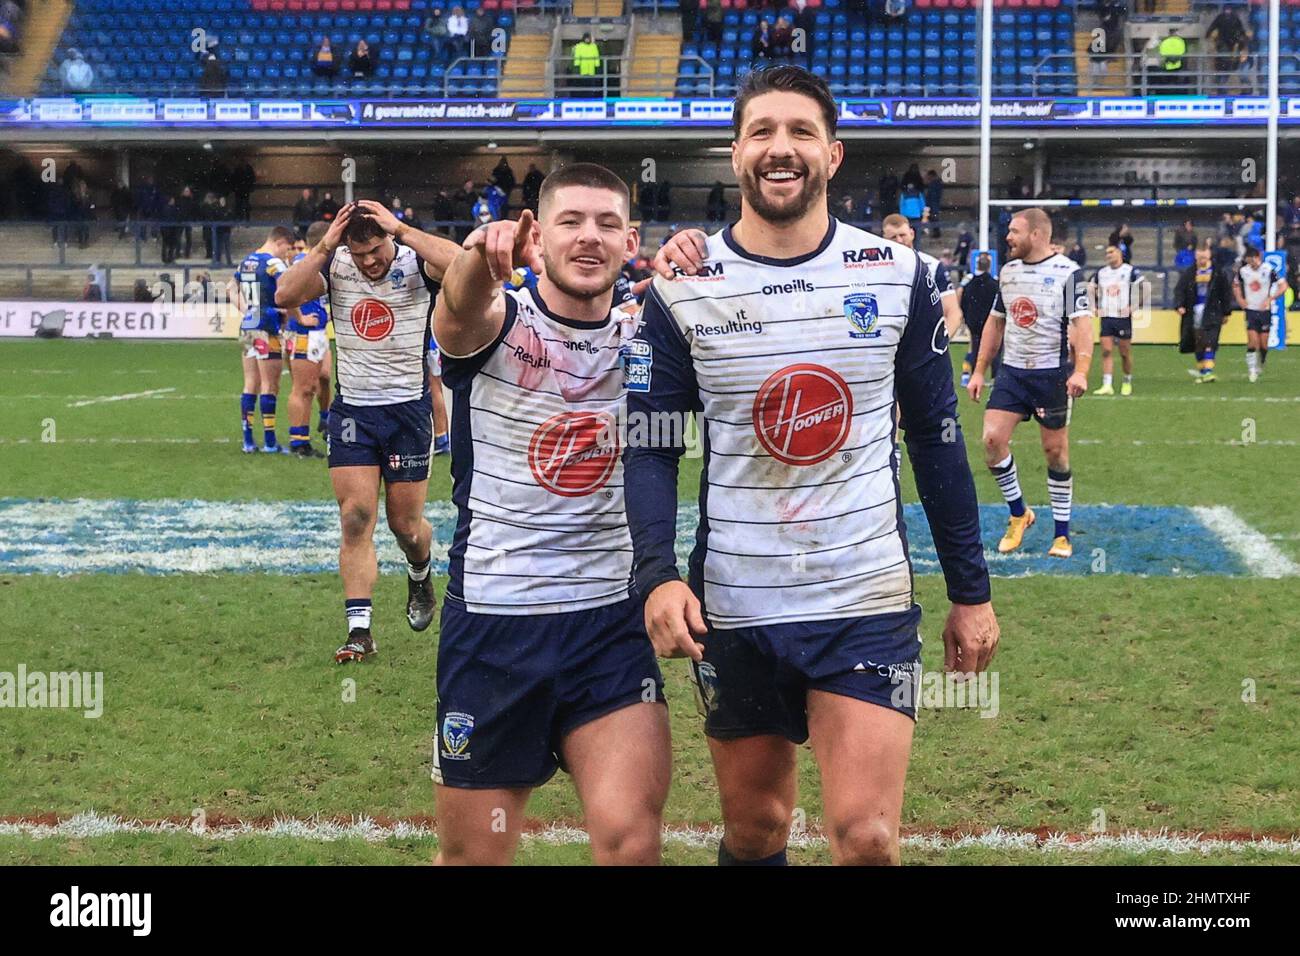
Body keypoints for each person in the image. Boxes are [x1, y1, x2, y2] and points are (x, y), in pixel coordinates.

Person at [633, 65, 997, 866]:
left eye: (800, 132)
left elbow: (936, 437)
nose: (780, 147)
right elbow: (652, 443)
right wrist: (657, 574)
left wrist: (970, 593)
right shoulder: (681, 293)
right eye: (762, 131)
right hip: (736, 603)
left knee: (866, 837)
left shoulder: (900, 278)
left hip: (863, 597)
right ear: (735, 154)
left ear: (833, 156)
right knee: (756, 828)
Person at [428, 164, 670, 866]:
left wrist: (695, 258)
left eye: (605, 225)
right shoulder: (499, 321)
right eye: (569, 222)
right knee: (475, 857)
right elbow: (460, 307)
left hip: (611, 626)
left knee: (631, 845)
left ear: (630, 241)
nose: (587, 238)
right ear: (537, 236)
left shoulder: (651, 331)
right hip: (496, 627)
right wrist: (480, 252)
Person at [275, 201, 461, 664]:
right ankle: (360, 631)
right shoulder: (336, 263)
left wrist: (402, 228)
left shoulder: (415, 260)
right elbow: (284, 294)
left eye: (376, 250)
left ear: (389, 239)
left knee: (406, 527)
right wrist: (323, 246)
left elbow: (462, 264)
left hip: (407, 412)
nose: (369, 261)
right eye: (360, 254)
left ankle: (420, 572)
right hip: (354, 412)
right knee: (356, 516)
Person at [967, 208, 1092, 560]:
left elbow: (1083, 326)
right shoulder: (1007, 272)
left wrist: (1081, 369)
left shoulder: (1068, 273)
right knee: (992, 440)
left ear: (1036, 235)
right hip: (1012, 373)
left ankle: (1062, 534)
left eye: (1015, 231)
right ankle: (1020, 513)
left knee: (1055, 452)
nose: (1008, 236)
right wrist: (979, 370)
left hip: (1051, 374)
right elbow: (995, 323)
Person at [232, 226, 299, 455]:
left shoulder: (246, 261)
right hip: (268, 326)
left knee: (251, 382)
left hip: (249, 326)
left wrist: (249, 310)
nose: (286, 254)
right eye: (287, 249)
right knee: (270, 384)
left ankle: (248, 440)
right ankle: (270, 442)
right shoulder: (274, 264)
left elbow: (232, 289)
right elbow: (288, 290)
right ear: (280, 242)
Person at [283, 223, 331, 458]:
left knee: (323, 379)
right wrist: (300, 318)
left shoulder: (320, 262)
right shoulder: (303, 261)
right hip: (305, 334)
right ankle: (298, 441)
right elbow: (285, 292)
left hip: (319, 332)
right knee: (303, 388)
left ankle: (325, 420)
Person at [881, 212, 963, 338]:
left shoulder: (933, 266)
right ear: (884, 239)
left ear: (912, 234)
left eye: (903, 235)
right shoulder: (876, 269)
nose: (899, 241)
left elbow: (953, 313)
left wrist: (940, 345)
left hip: (921, 345)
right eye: (893, 237)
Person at [1175, 244, 1234, 384]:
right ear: (1196, 256)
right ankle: (1203, 371)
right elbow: (1180, 290)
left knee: (1209, 340)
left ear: (1209, 255)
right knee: (1198, 342)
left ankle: (1208, 372)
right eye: (1199, 256)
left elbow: (1225, 292)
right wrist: (1179, 305)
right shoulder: (1189, 273)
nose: (1202, 259)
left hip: (1212, 311)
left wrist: (1226, 311)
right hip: (1193, 312)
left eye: (1204, 256)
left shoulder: (1218, 272)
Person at [1089, 244, 1141, 396]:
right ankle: (1107, 384)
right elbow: (1091, 288)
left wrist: (1133, 307)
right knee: (1106, 350)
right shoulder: (1101, 272)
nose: (1108, 255)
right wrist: (1094, 307)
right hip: (1107, 316)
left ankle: (1126, 380)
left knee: (1124, 352)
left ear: (1119, 253)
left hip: (1123, 317)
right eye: (1107, 253)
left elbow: (1145, 288)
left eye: (1111, 252)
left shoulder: (1129, 270)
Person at [1233, 245, 1284, 383]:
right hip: (1251, 310)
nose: (1251, 264)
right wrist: (1240, 299)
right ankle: (1252, 370)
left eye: (1252, 261)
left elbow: (1283, 286)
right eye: (1248, 262)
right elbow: (1236, 285)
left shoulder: (1268, 270)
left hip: (1265, 311)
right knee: (1252, 341)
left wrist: (1270, 298)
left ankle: (1262, 360)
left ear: (1258, 258)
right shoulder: (1243, 271)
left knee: (1263, 343)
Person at [960, 253, 1000, 388]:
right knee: (995, 349)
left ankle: (973, 376)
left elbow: (963, 302)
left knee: (975, 349)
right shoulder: (995, 285)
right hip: (991, 322)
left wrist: (966, 318)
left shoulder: (969, 284)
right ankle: (995, 378)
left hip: (974, 322)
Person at [1206, 3, 1251, 95]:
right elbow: (1213, 26)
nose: (1227, 11)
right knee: (1224, 68)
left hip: (1234, 45)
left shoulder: (1234, 18)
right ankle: (1222, 90)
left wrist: (1242, 41)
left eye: (1229, 9)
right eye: (1226, 9)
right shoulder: (1221, 18)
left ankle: (1246, 90)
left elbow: (1241, 30)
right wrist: (1208, 34)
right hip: (1225, 45)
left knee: (1236, 71)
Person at [572, 32, 601, 97]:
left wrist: (597, 65)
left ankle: (591, 95)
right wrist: (576, 65)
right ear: (583, 39)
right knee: (583, 83)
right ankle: (584, 96)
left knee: (591, 83)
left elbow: (596, 56)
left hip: (591, 69)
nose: (587, 40)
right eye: (586, 38)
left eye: (588, 38)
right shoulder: (579, 46)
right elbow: (577, 55)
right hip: (583, 68)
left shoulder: (594, 46)